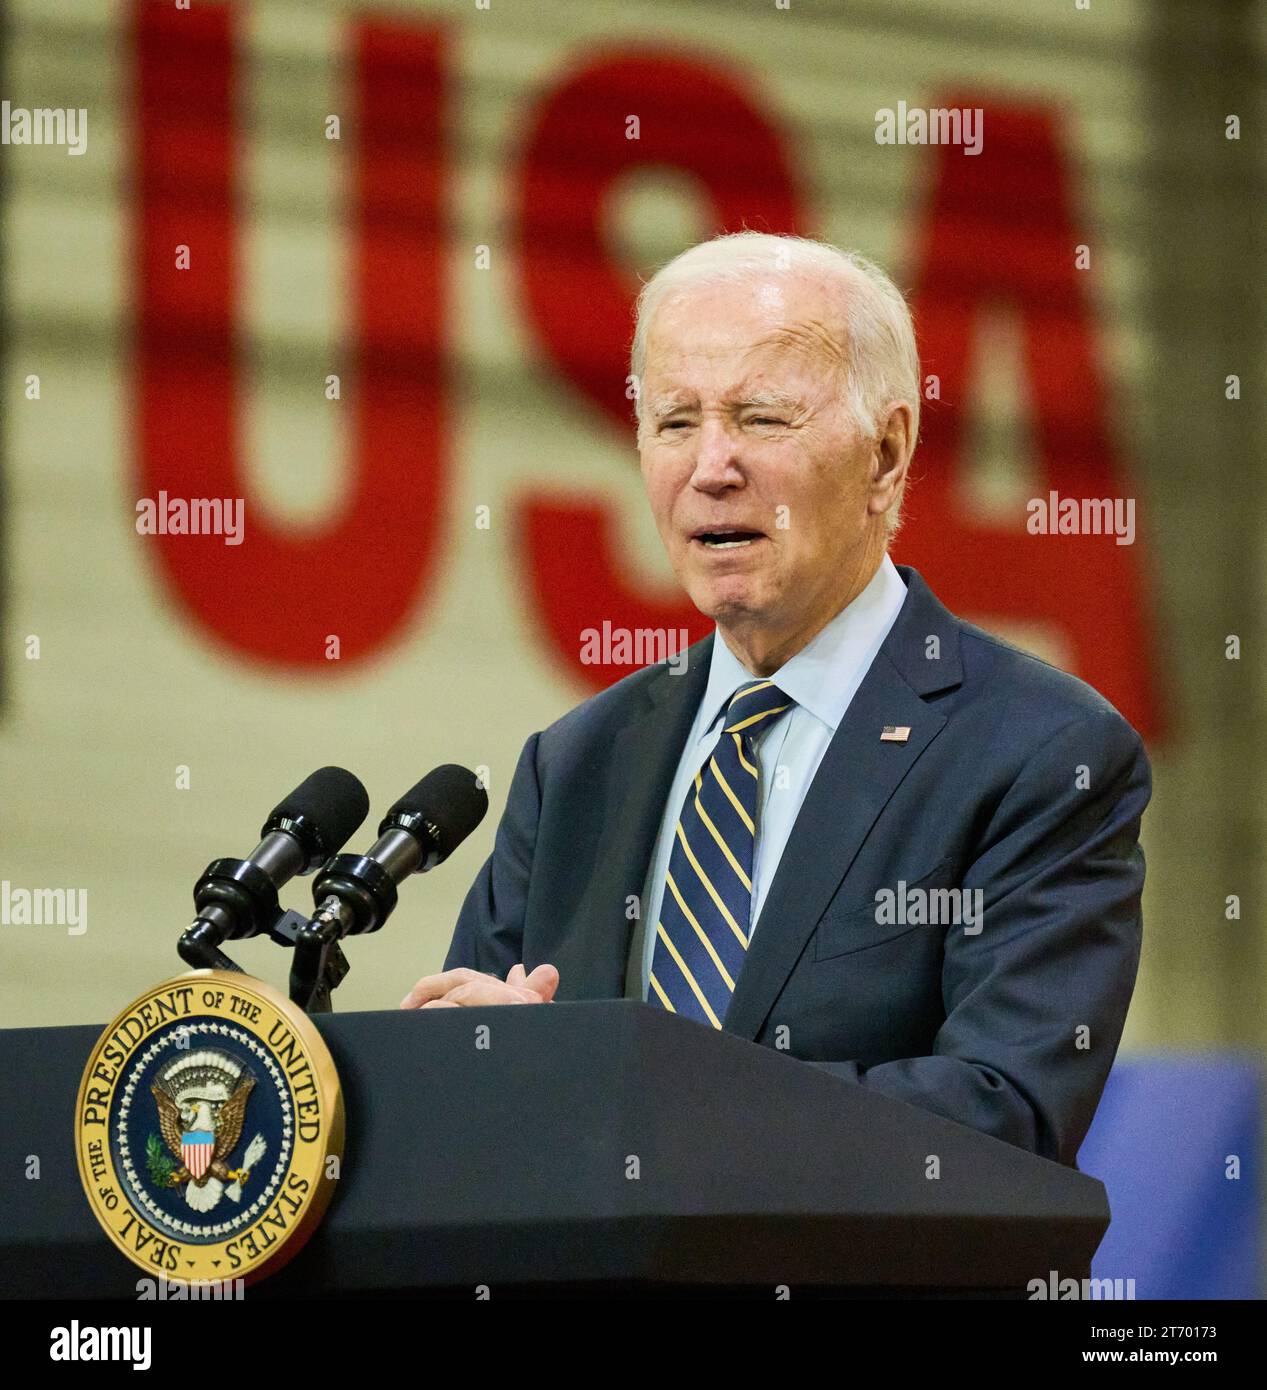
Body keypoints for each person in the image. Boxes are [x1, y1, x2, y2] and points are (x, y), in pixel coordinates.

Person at [401, 231, 1150, 1167]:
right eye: (674, 422)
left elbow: (1004, 1114)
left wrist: (613, 1084)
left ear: (885, 453)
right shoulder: (576, 763)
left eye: (759, 419)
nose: (709, 467)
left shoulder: (1040, 752)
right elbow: (488, 1102)